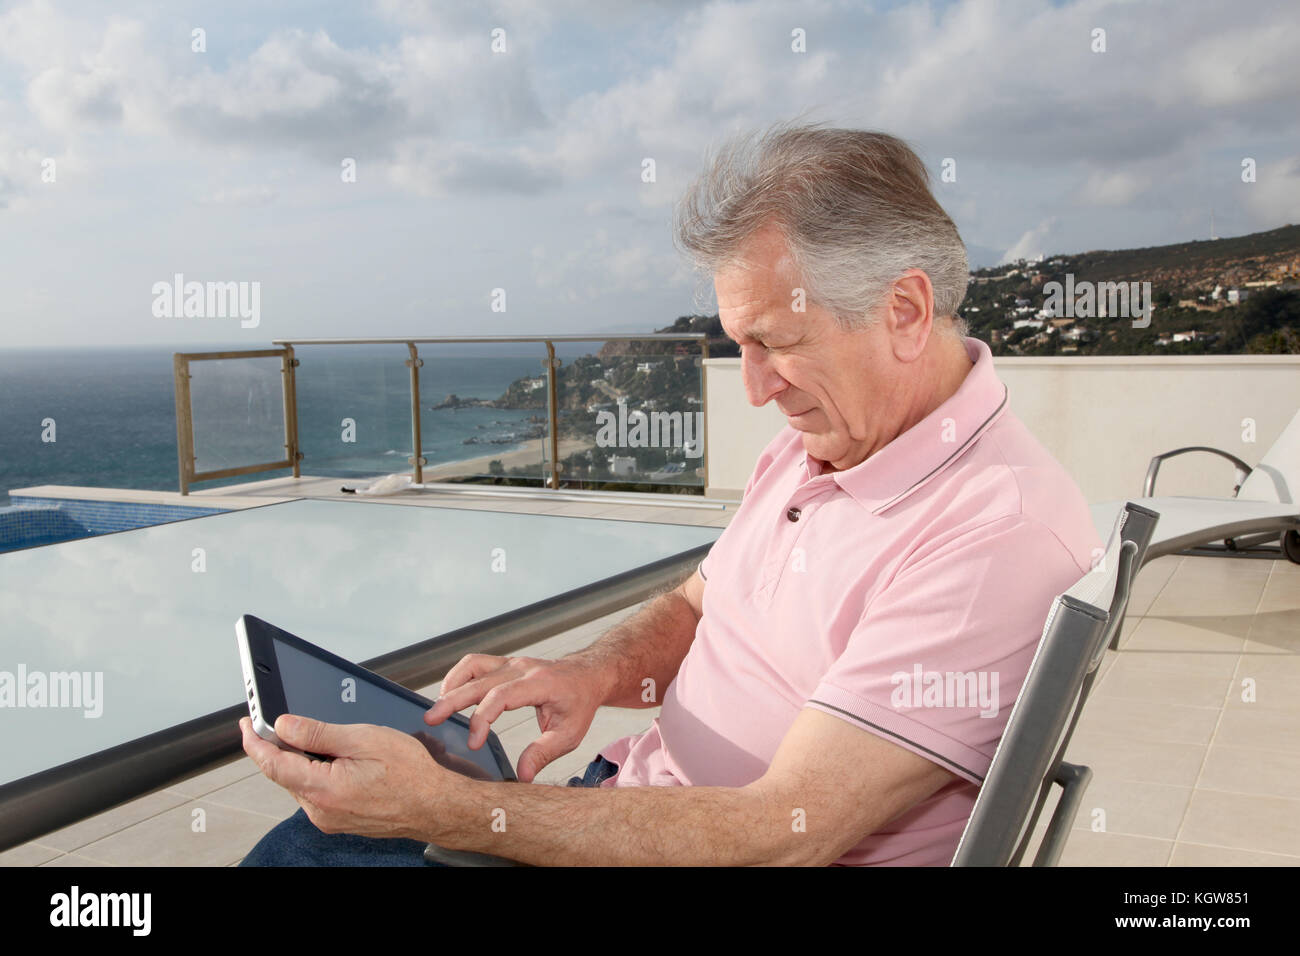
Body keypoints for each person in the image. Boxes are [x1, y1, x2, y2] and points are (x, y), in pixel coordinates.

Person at [240, 121, 1101, 866]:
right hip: (634, 799)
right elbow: (701, 603)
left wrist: (451, 809)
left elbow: (786, 831)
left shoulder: (995, 536)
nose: (755, 387)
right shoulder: (827, 443)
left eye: (775, 342)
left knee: (327, 846)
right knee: (316, 840)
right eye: (739, 345)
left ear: (906, 311)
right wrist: (591, 671)